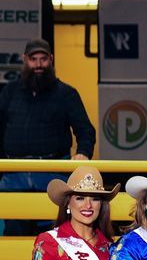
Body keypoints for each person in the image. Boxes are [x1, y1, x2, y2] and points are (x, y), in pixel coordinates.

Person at [0, 38, 96, 236]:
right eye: (33, 59)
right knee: (14, 235)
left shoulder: (66, 93)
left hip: (53, 175)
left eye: (43, 59)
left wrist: (83, 153)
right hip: (14, 176)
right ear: (25, 60)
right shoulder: (9, 92)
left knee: (54, 236)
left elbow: (86, 130)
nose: (38, 65)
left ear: (51, 60)